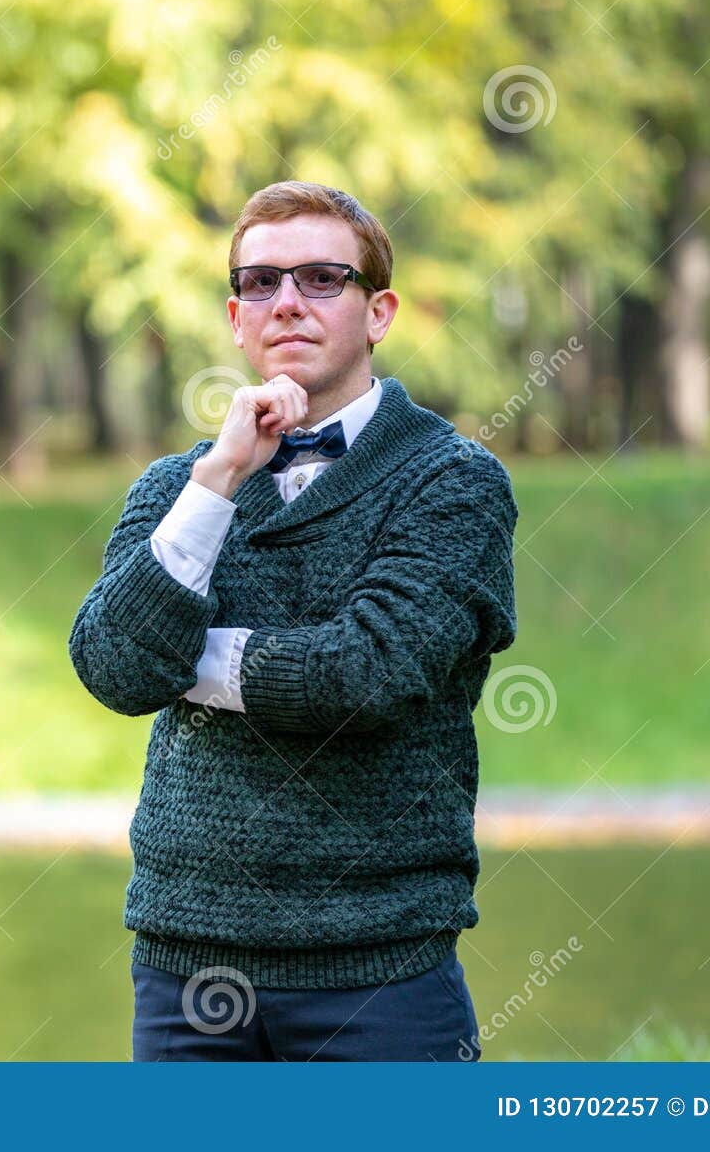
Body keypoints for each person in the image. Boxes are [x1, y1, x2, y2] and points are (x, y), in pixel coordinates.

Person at [68, 181, 518, 1061]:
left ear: (378, 310)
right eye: (262, 281)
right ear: (236, 317)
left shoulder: (452, 481)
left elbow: (368, 673)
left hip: (379, 963)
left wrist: (189, 658)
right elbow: (115, 667)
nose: (288, 302)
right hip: (187, 966)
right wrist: (220, 478)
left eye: (320, 278)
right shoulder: (177, 487)